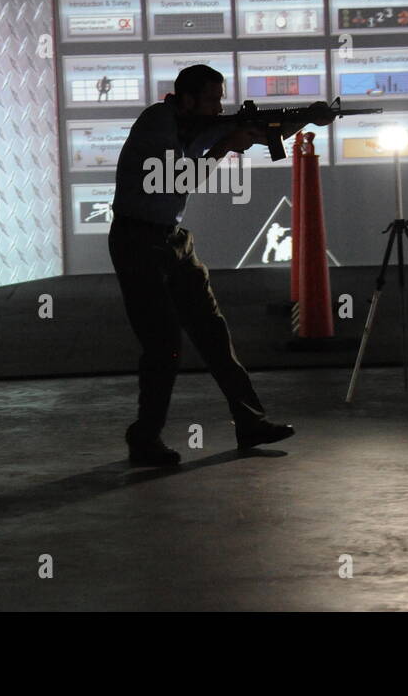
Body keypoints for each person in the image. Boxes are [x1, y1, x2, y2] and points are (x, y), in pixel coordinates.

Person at [109, 63, 334, 466]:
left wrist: (305, 118)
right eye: (212, 100)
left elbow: (267, 133)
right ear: (188, 98)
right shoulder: (157, 122)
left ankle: (250, 423)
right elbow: (176, 180)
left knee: (213, 333)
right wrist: (225, 144)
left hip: (172, 240)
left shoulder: (200, 122)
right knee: (164, 346)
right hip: (137, 241)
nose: (218, 108)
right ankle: (144, 438)